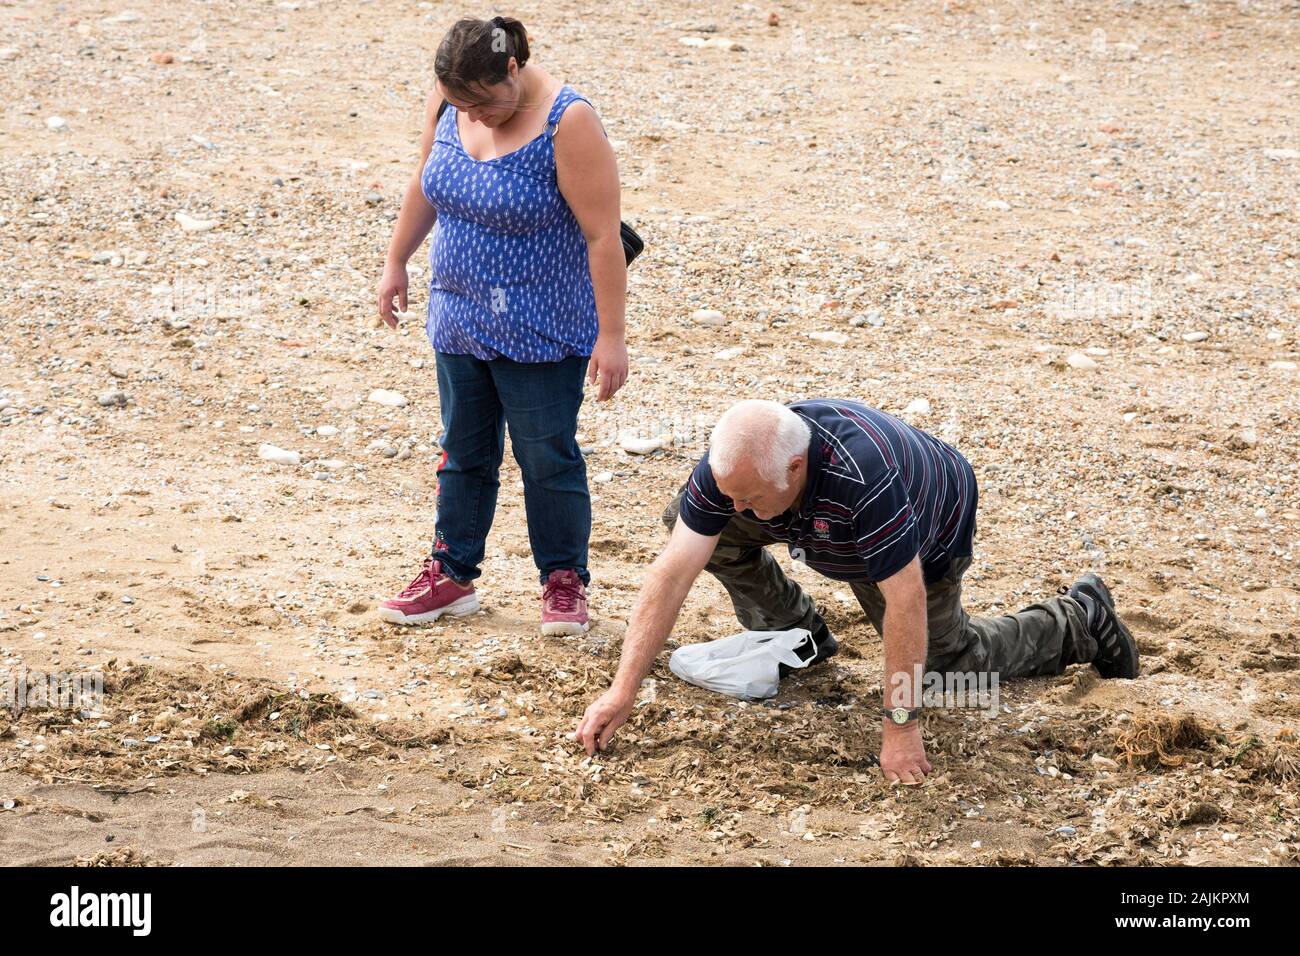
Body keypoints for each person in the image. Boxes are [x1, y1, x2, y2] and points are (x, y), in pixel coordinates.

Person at [575, 399, 1139, 784]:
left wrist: (901, 727)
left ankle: (1077, 620)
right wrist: (624, 689)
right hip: (810, 510)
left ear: (795, 467)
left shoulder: (863, 483)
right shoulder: (738, 472)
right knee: (698, 530)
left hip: (925, 515)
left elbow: (906, 599)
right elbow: (673, 572)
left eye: (747, 498)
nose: (736, 507)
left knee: (944, 668)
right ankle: (795, 633)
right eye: (731, 495)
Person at [375, 16, 627, 635]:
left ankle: (563, 581)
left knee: (547, 457)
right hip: (459, 317)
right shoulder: (450, 97)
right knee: (462, 451)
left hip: (542, 327)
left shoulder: (568, 122)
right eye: (464, 106)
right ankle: (452, 573)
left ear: (512, 67)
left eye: (485, 103)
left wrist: (612, 334)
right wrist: (396, 260)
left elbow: (602, 236)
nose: (476, 116)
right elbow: (426, 182)